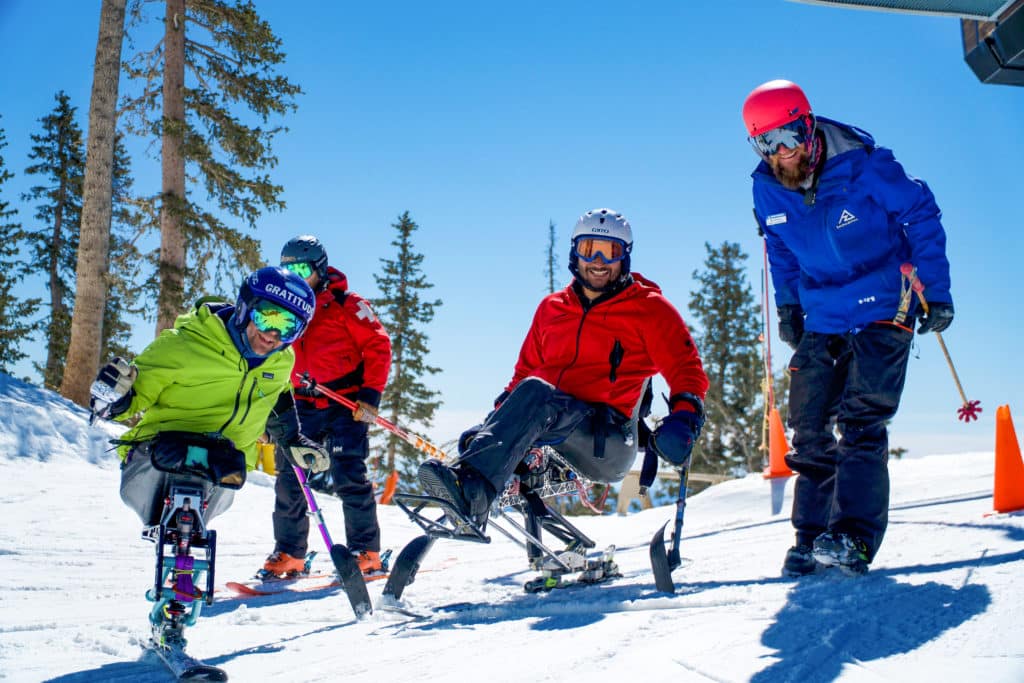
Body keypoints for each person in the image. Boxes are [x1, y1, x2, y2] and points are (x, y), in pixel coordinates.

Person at [743, 79, 954, 577]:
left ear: (808, 124)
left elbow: (921, 213)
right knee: (810, 425)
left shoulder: (864, 165)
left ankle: (854, 537)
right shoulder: (766, 186)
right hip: (825, 310)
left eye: (787, 137)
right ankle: (812, 537)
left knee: (861, 421)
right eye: (766, 144)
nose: (781, 153)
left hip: (886, 298)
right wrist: (790, 306)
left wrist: (936, 287)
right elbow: (779, 248)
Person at [417, 208, 709, 528]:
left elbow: (687, 370)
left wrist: (685, 417)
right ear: (575, 252)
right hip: (552, 428)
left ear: (624, 257)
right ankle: (472, 485)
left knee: (538, 395)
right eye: (589, 249)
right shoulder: (551, 309)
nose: (598, 260)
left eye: (610, 251)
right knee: (513, 407)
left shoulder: (650, 310)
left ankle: (473, 494)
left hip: (606, 441)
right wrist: (492, 427)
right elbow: (522, 378)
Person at [90, 266, 316, 644]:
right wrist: (113, 398)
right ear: (246, 306)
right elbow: (133, 394)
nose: (273, 334)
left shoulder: (281, 360)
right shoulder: (182, 346)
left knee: (195, 531)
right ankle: (173, 614)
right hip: (159, 455)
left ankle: (175, 606)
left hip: (222, 464)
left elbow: (276, 396)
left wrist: (294, 440)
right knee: (186, 512)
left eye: (289, 327)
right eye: (267, 316)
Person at [262, 234, 393, 578]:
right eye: (288, 269)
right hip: (299, 405)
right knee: (290, 477)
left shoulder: (347, 305)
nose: (295, 276)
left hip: (344, 403)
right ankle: (290, 553)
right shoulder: (281, 309)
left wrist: (370, 396)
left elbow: (379, 346)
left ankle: (365, 551)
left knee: (348, 473)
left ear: (319, 268)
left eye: (302, 268)